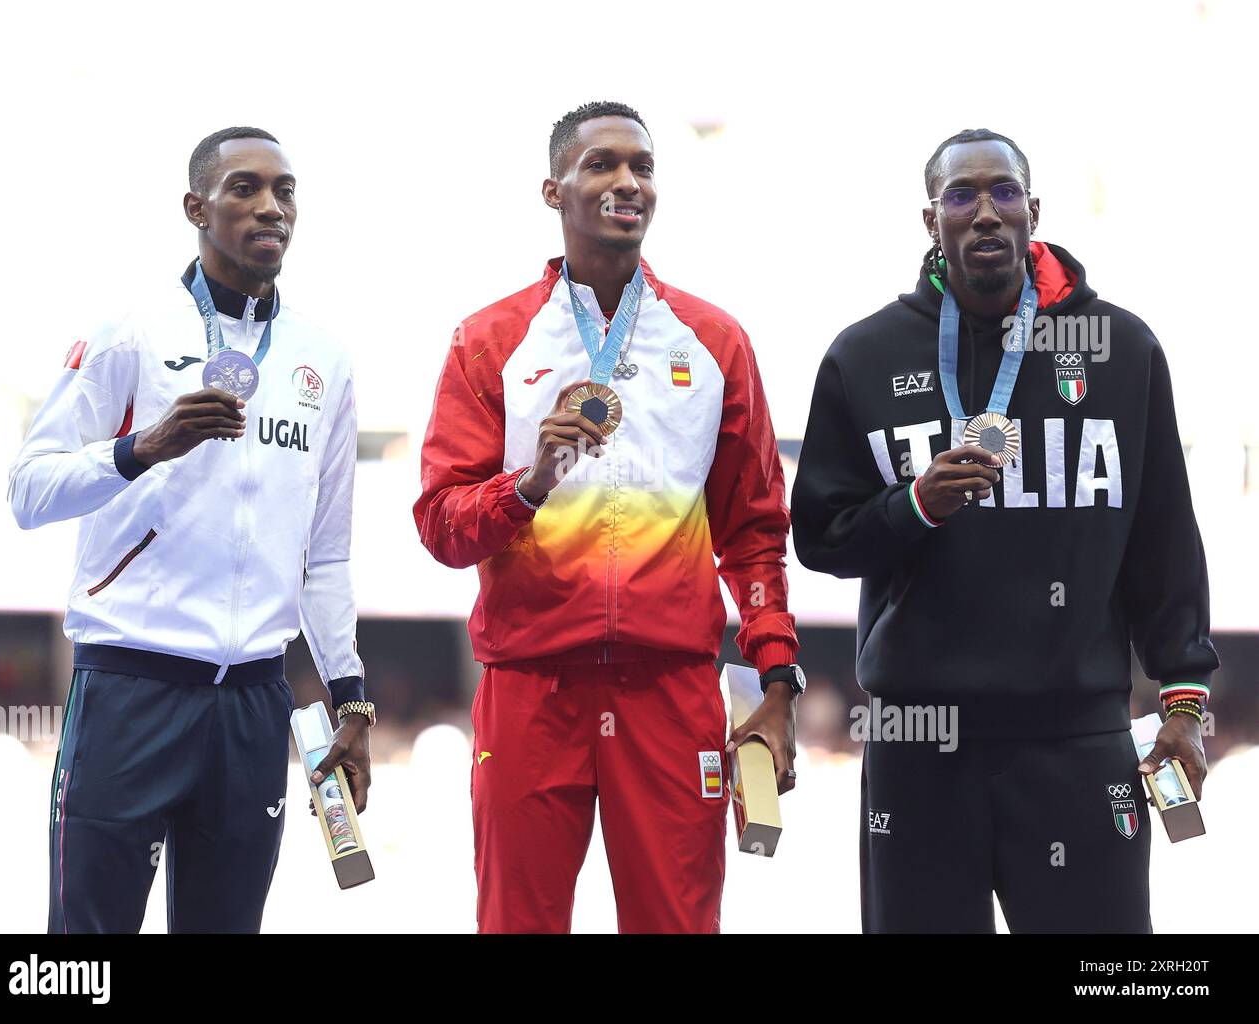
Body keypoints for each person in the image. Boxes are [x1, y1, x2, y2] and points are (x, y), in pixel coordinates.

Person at [791, 128, 1218, 933]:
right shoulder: (866, 355)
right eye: (962, 196)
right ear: (931, 221)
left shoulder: (1121, 349)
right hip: (918, 744)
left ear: (1034, 212)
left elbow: (1163, 540)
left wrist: (1185, 701)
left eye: (1003, 193)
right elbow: (820, 537)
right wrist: (913, 505)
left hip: (1080, 741)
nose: (985, 212)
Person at [414, 100, 801, 933]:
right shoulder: (489, 341)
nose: (627, 182)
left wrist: (776, 678)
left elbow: (755, 530)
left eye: (643, 168)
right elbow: (442, 526)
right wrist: (529, 485)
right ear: (553, 190)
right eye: (601, 165)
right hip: (530, 690)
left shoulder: (714, 340)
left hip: (672, 692)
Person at [9, 126, 372, 933]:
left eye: (285, 191)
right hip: (128, 691)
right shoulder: (130, 333)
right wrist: (142, 450)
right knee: (85, 951)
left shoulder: (324, 361)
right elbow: (29, 491)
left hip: (252, 705)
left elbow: (327, 553)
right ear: (196, 206)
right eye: (244, 187)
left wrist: (350, 699)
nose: (270, 206)